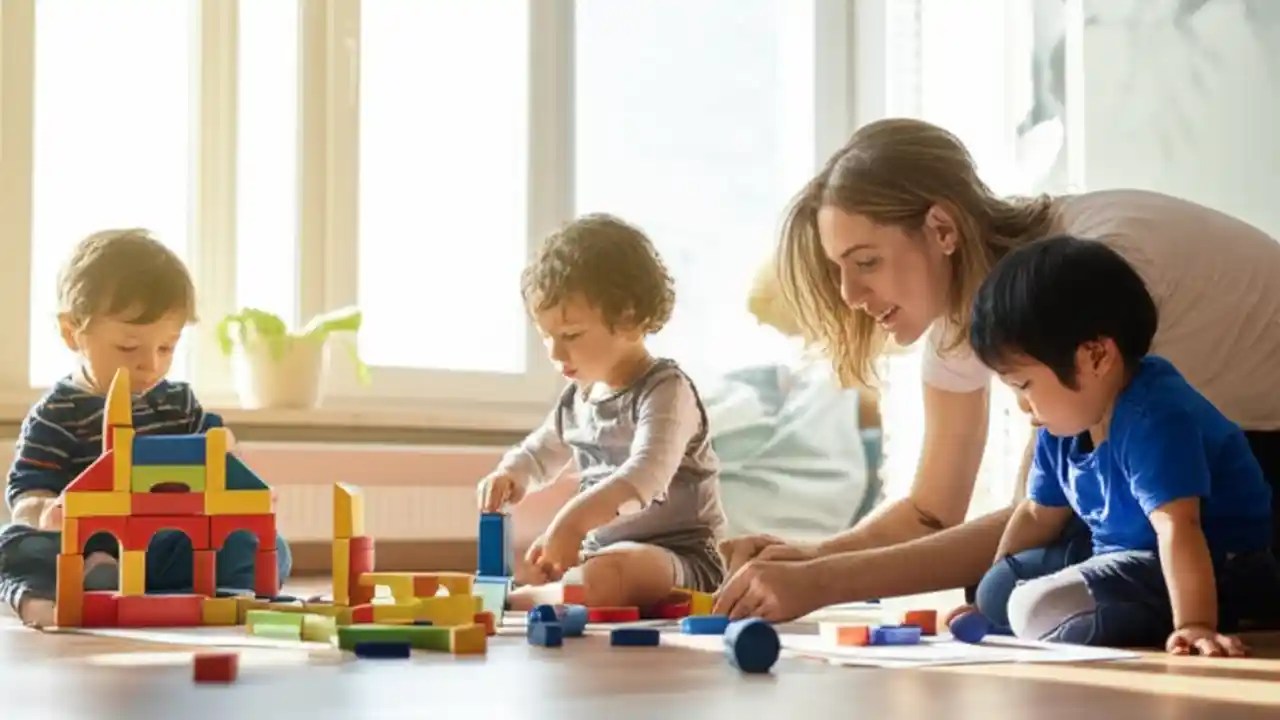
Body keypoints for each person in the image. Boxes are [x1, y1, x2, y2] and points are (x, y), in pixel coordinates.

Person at [714, 117, 1280, 622]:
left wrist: (822, 583)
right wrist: (807, 557)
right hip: (1216, 466)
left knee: (1034, 571)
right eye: (841, 269)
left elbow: (1054, 511)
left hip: (1254, 477)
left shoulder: (1086, 274)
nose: (849, 294)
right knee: (1013, 575)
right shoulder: (970, 315)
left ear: (942, 229)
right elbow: (932, 511)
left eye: (866, 263)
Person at [967, 234, 1279, 655]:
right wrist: (986, 604)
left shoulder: (1156, 415)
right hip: (1122, 550)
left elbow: (1178, 527)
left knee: (1033, 608)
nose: (1023, 405)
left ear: (1096, 356)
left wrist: (1195, 624)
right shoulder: (1060, 424)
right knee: (997, 590)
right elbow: (1038, 513)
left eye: (1024, 385)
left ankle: (1194, 611)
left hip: (1216, 561)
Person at [0, 229, 293, 626]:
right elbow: (26, 495)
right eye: (127, 347)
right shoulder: (56, 414)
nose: (150, 365)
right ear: (73, 333)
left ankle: (224, 598)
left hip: (168, 546)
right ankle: (45, 601)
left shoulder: (179, 403)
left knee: (263, 544)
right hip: (83, 551)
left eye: (166, 347)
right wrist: (47, 511)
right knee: (13, 544)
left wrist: (235, 471)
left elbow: (223, 456)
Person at [476, 214, 727, 609]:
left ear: (629, 318)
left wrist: (572, 522)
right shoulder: (578, 398)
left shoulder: (666, 390)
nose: (556, 354)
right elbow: (539, 453)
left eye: (571, 335)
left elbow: (645, 477)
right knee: (581, 568)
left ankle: (518, 602)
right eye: (547, 338)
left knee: (607, 575)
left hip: (683, 559)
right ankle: (548, 593)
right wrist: (512, 473)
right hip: (605, 551)